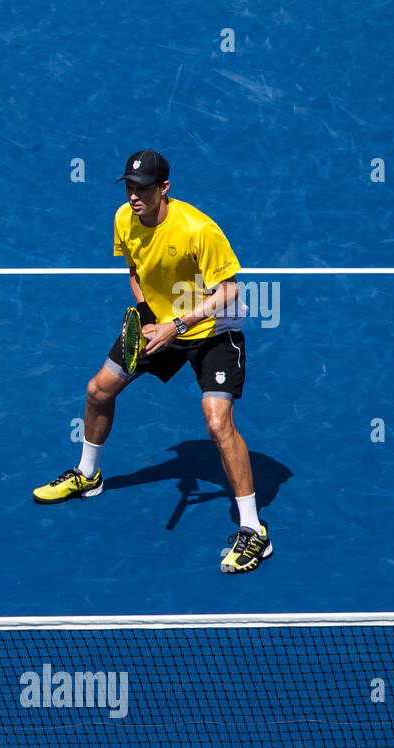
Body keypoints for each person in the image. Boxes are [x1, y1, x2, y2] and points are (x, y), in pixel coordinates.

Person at [32, 150, 272, 574]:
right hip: (158, 324)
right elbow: (136, 269)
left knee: (217, 421)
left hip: (211, 330)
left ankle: (254, 531)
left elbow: (230, 291)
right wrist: (145, 314)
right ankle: (88, 475)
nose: (133, 195)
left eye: (143, 188)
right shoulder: (124, 218)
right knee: (97, 390)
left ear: (165, 188)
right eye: (128, 187)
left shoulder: (198, 229)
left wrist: (175, 325)